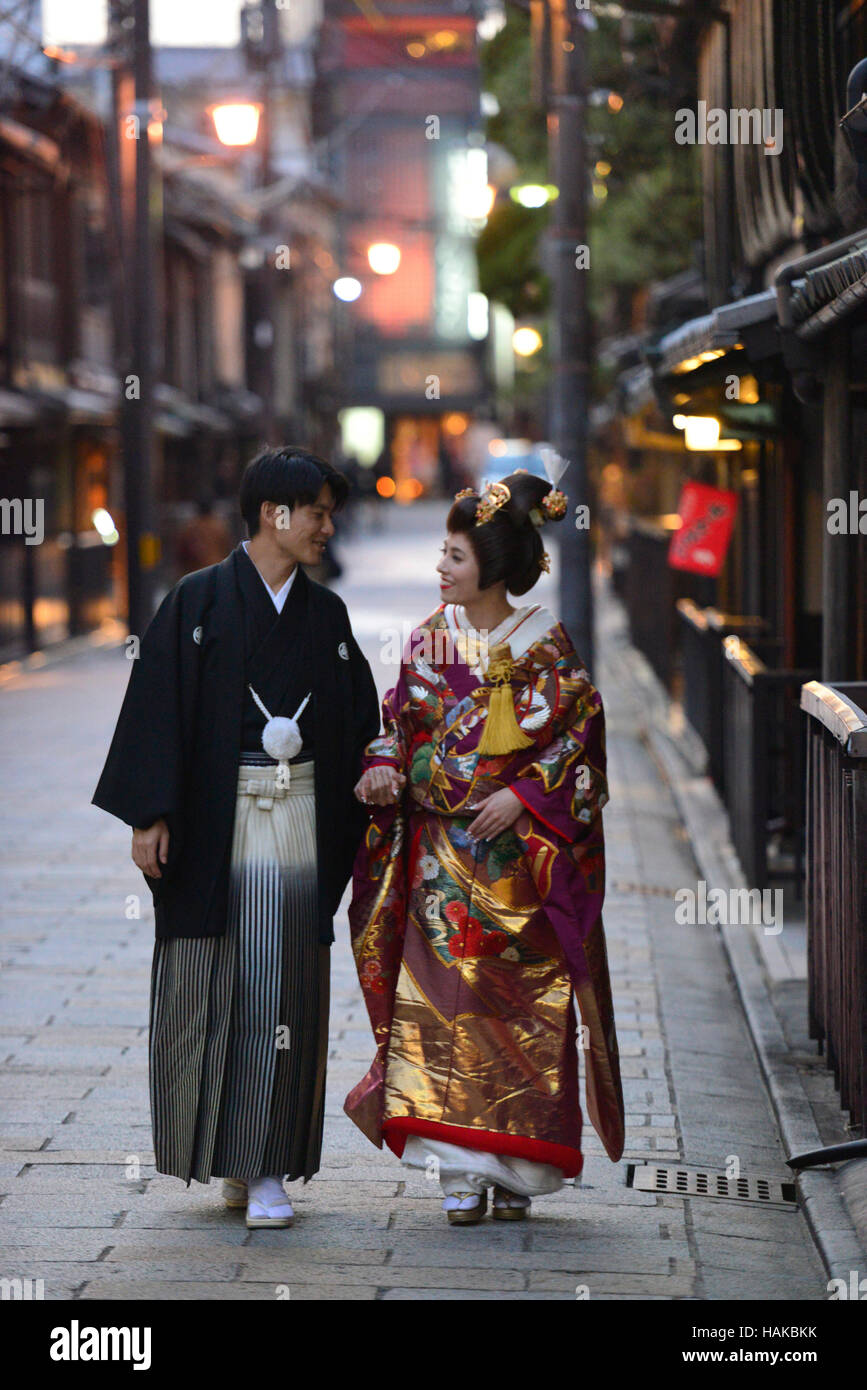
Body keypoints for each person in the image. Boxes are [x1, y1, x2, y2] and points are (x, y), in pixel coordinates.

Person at [93, 447, 380, 1228]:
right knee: (211, 986)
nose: (327, 526)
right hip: (215, 819)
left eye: (328, 512)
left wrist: (375, 770)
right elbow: (157, 705)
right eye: (316, 511)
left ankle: (264, 1167)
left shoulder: (327, 617)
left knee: (280, 985)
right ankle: (231, 1153)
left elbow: (360, 722)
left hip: (294, 816)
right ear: (272, 515)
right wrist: (149, 812)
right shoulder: (196, 602)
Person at [345, 471, 624, 1224]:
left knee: (523, 1011)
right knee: (439, 1007)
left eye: (455, 556)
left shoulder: (547, 646)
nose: (441, 567)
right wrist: (381, 766)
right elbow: (399, 722)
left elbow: (580, 745)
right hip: (441, 860)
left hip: (518, 864)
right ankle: (459, 1174)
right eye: (440, 552)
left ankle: (517, 1166)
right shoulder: (428, 639)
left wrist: (525, 794)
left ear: (493, 567)